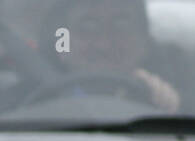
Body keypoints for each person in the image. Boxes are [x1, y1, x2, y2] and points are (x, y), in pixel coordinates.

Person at [41, 0, 181, 111]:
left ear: (144, 43)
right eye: (87, 28)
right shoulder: (27, 107)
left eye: (120, 26)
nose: (104, 45)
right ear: (62, 45)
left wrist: (168, 108)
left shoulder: (183, 111)